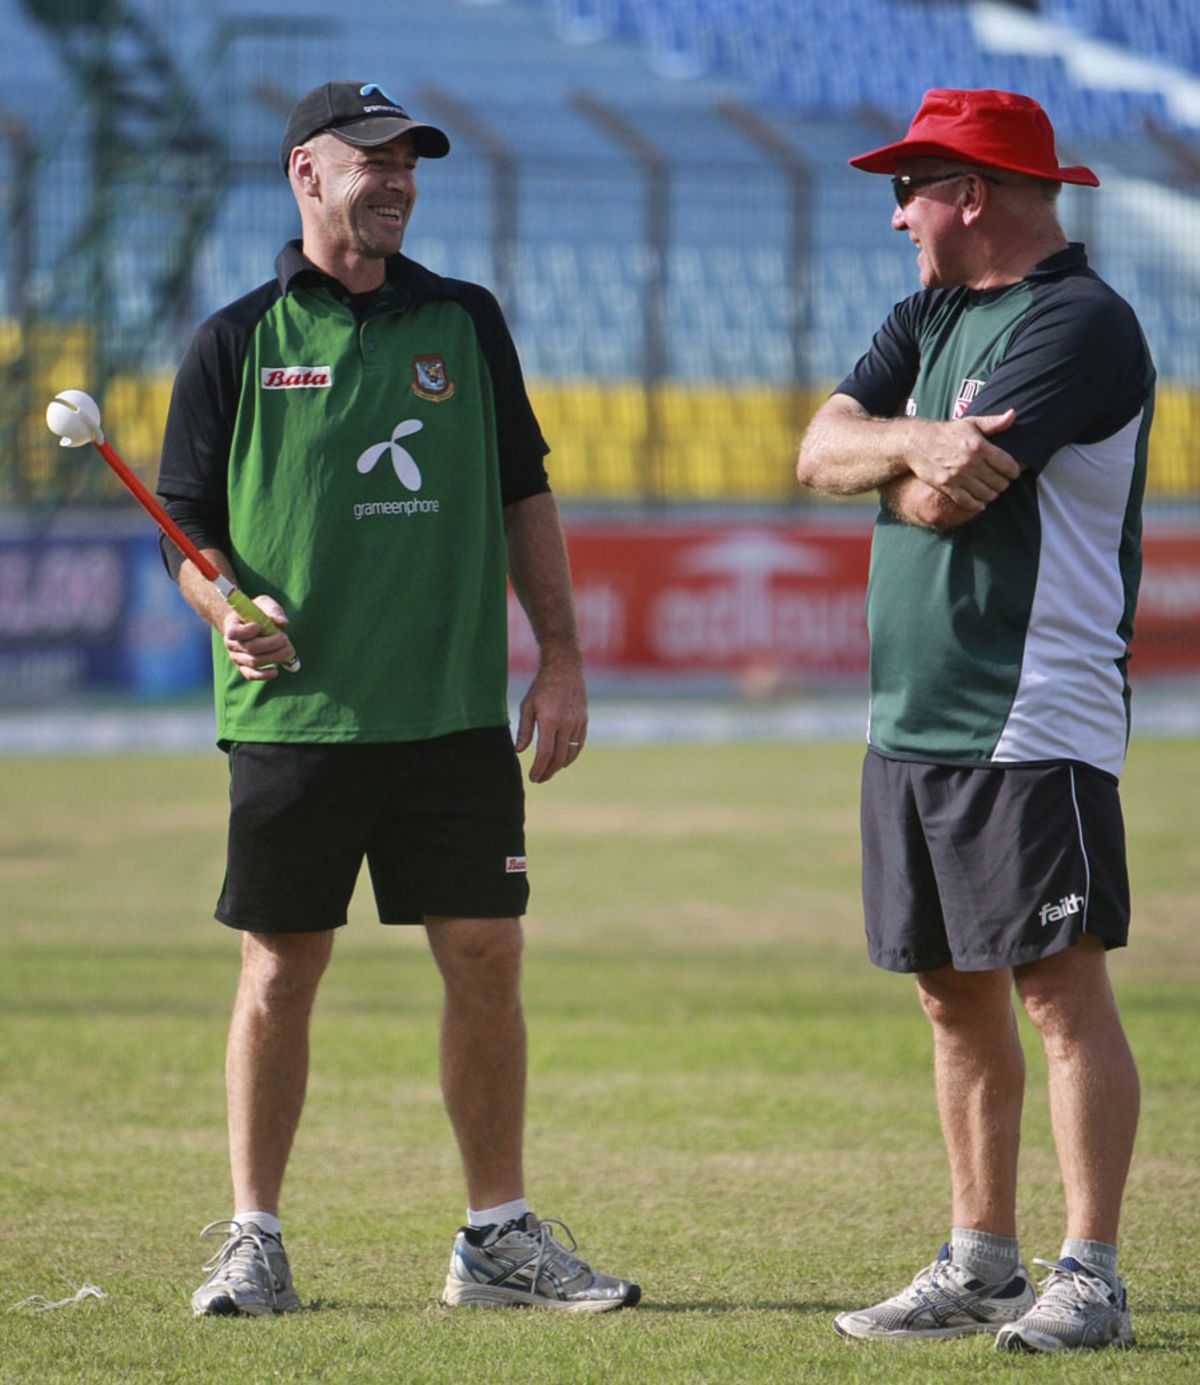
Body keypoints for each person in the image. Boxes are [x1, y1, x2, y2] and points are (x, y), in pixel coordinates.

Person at [156, 80, 640, 1317]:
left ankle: (495, 1238)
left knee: (487, 954)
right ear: (304, 174)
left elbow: (525, 492)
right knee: (280, 970)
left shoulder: (466, 323)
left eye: (409, 161)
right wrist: (226, 609)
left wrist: (564, 655)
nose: (397, 179)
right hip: (295, 720)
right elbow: (187, 533)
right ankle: (254, 1237)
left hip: (449, 716)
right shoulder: (234, 339)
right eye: (370, 161)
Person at [796, 88, 1153, 1353]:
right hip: (912, 719)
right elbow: (817, 450)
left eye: (912, 188)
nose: (897, 215)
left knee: (1059, 991)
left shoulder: (1082, 323)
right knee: (951, 994)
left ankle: (1092, 1271)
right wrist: (910, 443)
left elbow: (945, 504)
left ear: (973, 194)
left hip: (1029, 715)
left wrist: (888, 457)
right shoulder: (935, 311)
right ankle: (983, 1258)